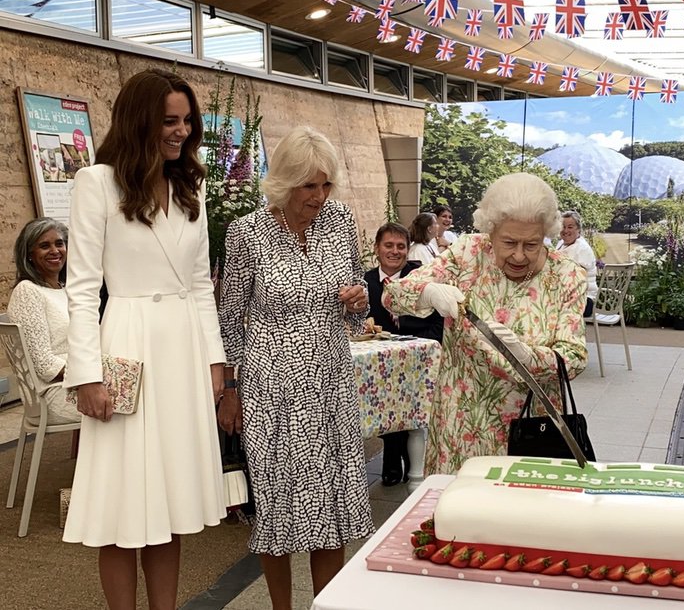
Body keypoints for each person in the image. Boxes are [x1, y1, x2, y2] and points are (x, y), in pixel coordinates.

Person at [62, 69, 228, 609]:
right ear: (140, 123)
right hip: (126, 345)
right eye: (169, 122)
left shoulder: (190, 185)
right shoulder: (97, 182)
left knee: (172, 500)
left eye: (187, 122)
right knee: (121, 504)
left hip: (182, 350)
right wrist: (86, 374)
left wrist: (214, 360)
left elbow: (202, 283)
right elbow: (82, 289)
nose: (181, 132)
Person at [217, 127, 375, 607]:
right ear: (284, 182)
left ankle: (324, 605)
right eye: (309, 185)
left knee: (333, 503)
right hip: (270, 389)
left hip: (330, 381)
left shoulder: (341, 221)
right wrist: (229, 389)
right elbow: (228, 317)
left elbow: (356, 308)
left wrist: (359, 301)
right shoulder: (247, 232)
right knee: (276, 507)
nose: (319, 196)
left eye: (326, 185)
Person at [383, 172, 588, 474]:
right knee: (459, 513)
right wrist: (427, 292)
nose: (519, 255)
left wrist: (528, 356)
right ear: (490, 231)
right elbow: (393, 295)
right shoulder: (468, 253)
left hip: (530, 429)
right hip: (461, 424)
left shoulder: (566, 275)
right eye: (508, 242)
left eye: (532, 244)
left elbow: (574, 356)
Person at [364, 222, 443, 486]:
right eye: (389, 245)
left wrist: (427, 343)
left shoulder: (421, 277)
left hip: (419, 355)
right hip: (382, 361)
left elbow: (439, 319)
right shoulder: (365, 282)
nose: (395, 251)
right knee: (385, 404)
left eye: (401, 246)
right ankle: (391, 459)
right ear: (377, 248)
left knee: (414, 411)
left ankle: (413, 464)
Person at [6, 217, 79, 424]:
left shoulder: (65, 288)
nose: (55, 251)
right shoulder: (27, 292)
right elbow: (46, 367)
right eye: (44, 246)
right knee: (140, 400)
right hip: (55, 393)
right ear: (29, 255)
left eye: (59, 243)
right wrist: (91, 373)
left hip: (78, 379)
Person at [555, 210, 599, 317]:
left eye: (570, 227)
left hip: (584, 299)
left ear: (578, 229)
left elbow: (576, 280)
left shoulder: (582, 248)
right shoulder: (561, 244)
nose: (565, 230)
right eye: (562, 226)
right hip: (566, 295)